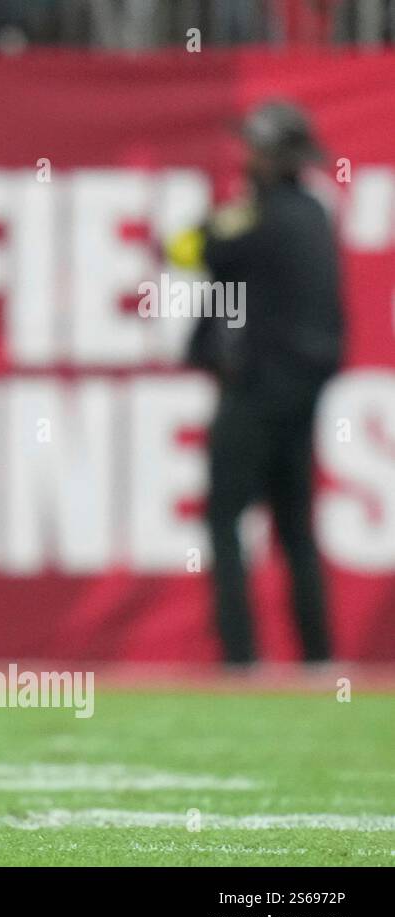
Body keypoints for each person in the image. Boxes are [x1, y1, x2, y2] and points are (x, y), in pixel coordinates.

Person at [169, 100, 344, 667]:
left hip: (256, 390)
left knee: (224, 517)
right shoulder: (316, 213)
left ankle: (240, 660)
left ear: (273, 159)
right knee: (295, 526)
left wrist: (225, 219)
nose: (247, 159)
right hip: (304, 391)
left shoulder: (259, 217)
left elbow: (189, 249)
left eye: (256, 151)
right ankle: (318, 661)